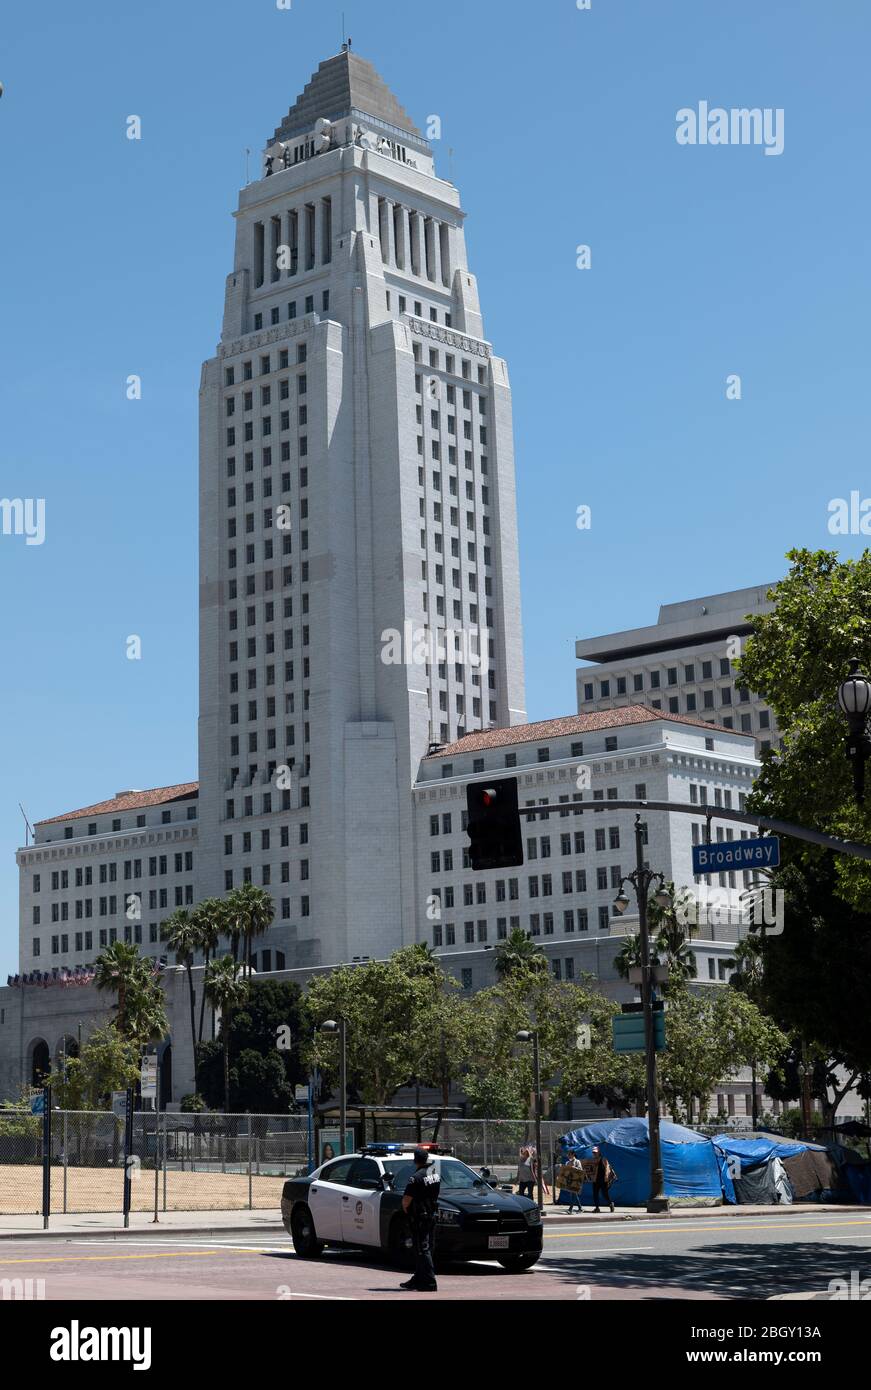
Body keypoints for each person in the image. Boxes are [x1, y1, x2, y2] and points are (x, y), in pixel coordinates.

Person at [399, 1147, 441, 1292]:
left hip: (420, 1217)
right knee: (425, 1248)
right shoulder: (434, 1174)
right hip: (431, 1215)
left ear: (415, 1160)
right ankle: (418, 1279)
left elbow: (406, 1201)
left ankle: (430, 1282)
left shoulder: (415, 1177)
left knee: (423, 1250)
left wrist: (408, 1211)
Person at [591, 1145, 616, 1213]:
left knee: (605, 1194)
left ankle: (610, 1204)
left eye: (595, 1152)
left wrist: (607, 1178)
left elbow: (608, 1169)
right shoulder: (592, 1160)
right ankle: (597, 1208)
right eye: (593, 1152)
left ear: (599, 1152)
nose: (594, 1153)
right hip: (595, 1180)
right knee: (595, 1194)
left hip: (603, 1180)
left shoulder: (603, 1159)